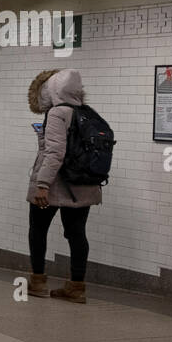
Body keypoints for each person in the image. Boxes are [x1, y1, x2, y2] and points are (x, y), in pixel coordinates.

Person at [25, 68, 102, 303]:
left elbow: (55, 153)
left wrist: (42, 185)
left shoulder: (57, 113)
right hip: (84, 185)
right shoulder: (88, 113)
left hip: (56, 185)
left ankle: (38, 282)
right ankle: (76, 287)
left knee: (38, 229)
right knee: (77, 234)